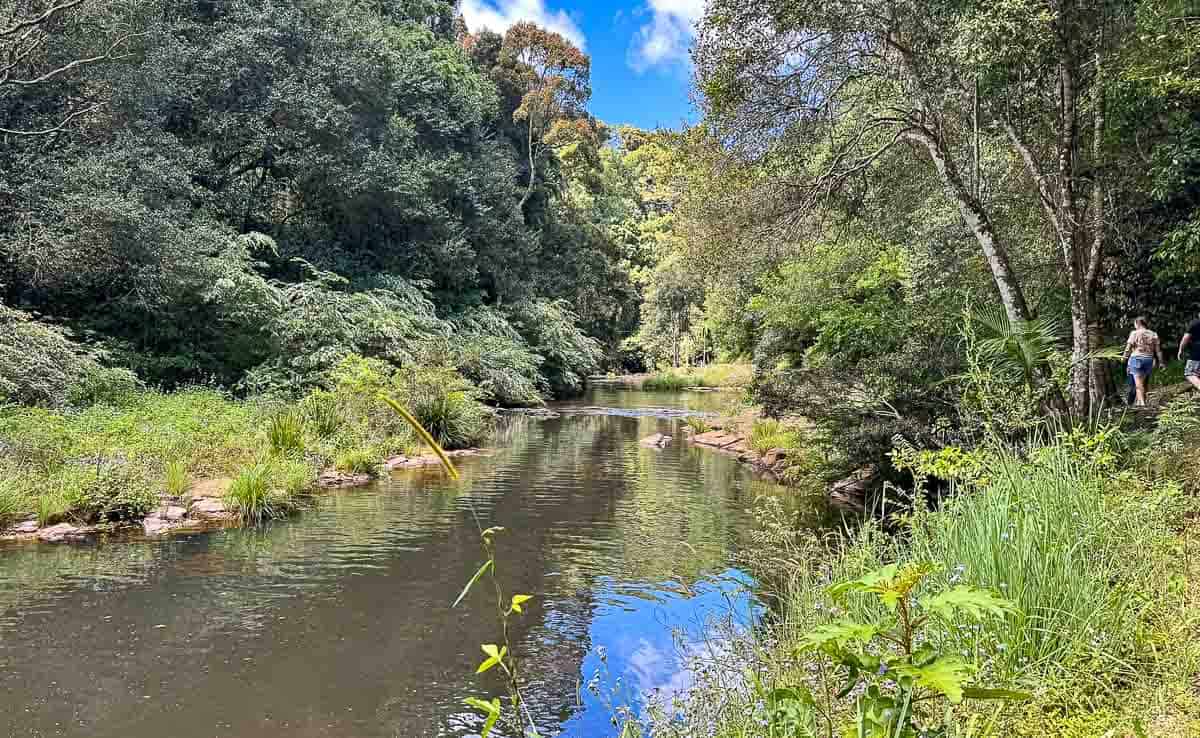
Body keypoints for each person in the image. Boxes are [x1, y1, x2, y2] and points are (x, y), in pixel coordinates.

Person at [1123, 316, 1164, 407]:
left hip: (1136, 358)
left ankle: (1142, 403)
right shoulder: (1153, 334)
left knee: (1138, 383)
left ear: (1138, 323)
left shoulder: (1134, 333)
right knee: (1143, 382)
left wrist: (1124, 357)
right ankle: (1140, 402)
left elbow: (1128, 348)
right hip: (1149, 359)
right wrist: (1161, 362)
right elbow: (1158, 351)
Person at [1177, 314, 1200, 392]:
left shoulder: (1195, 323)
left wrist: (1180, 350)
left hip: (1197, 351)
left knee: (1190, 373)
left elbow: (1186, 338)